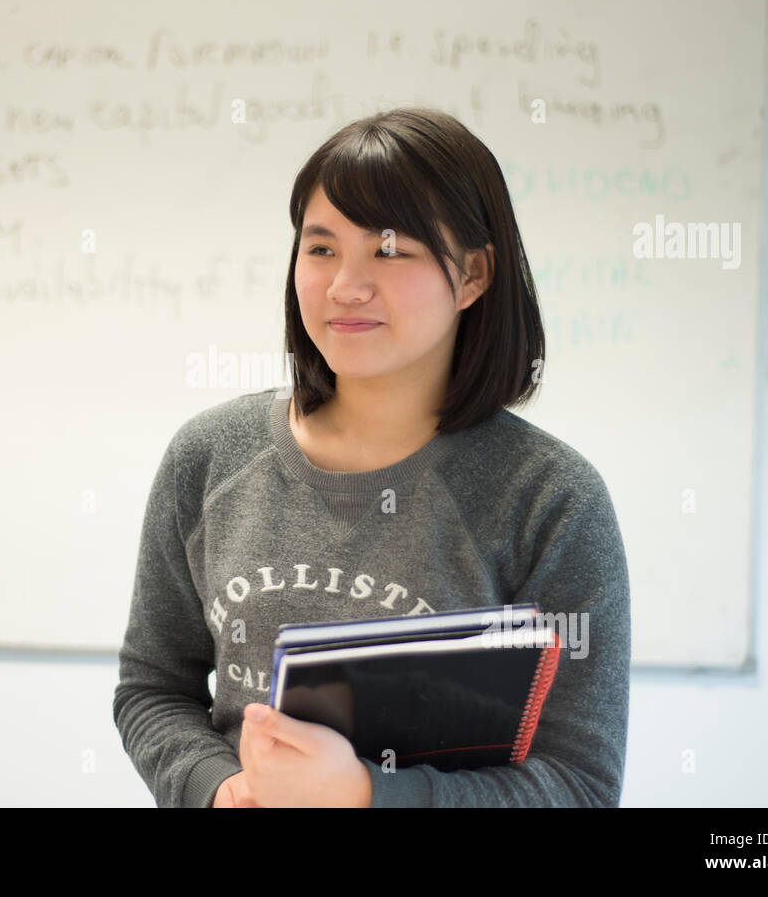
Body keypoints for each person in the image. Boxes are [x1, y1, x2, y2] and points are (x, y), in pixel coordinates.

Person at [113, 107, 631, 807]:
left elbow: (578, 785)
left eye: (388, 250)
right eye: (321, 248)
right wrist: (220, 786)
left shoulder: (550, 498)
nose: (344, 286)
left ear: (474, 273)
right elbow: (153, 687)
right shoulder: (209, 456)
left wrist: (366, 794)